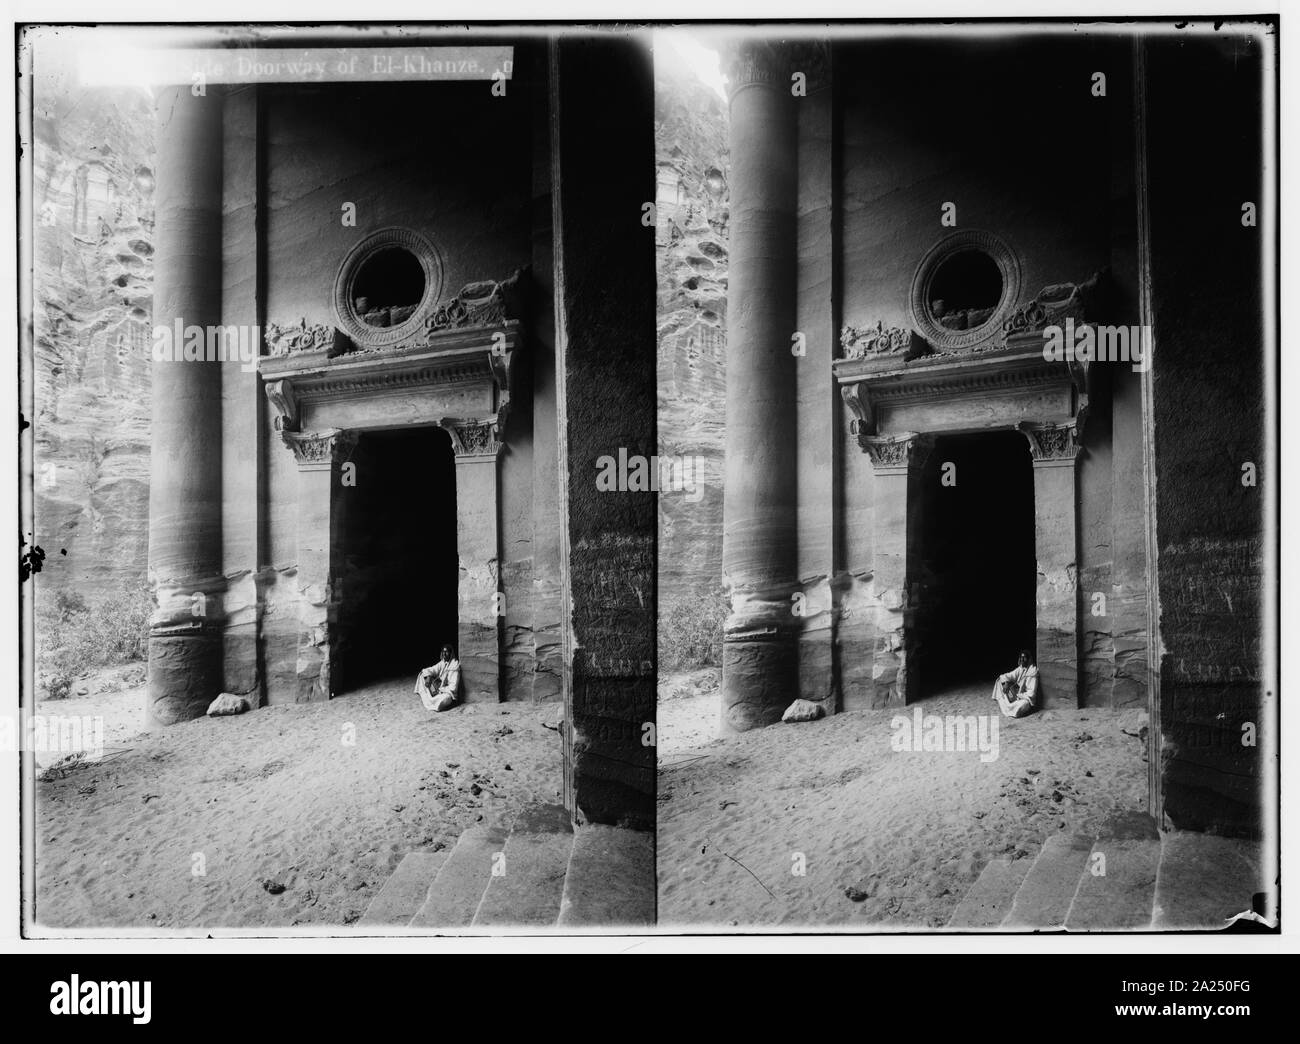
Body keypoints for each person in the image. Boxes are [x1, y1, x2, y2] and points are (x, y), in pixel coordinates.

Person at [992, 649, 1038, 718]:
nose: (1022, 659)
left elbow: (1031, 693)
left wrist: (1018, 695)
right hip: (1016, 694)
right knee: (999, 681)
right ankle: (1008, 704)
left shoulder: (1032, 672)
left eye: (1024, 658)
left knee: (1023, 704)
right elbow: (1009, 675)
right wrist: (1006, 683)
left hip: (1025, 698)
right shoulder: (1021, 668)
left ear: (1029, 659)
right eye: (1021, 657)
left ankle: (1009, 706)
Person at [415, 645, 461, 712]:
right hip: (438, 689)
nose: (444, 654)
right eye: (443, 652)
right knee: (423, 675)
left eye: (446, 652)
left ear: (451, 654)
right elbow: (432, 669)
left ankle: (432, 700)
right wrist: (428, 677)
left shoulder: (454, 666)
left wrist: (440, 689)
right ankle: (431, 697)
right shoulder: (442, 663)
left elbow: (453, 688)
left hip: (447, 692)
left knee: (446, 699)